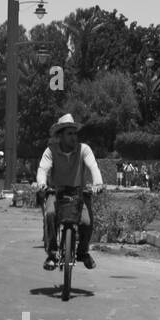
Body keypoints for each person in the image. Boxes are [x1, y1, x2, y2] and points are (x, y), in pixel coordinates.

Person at [34, 113, 103, 271]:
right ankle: (52, 254)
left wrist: (98, 183)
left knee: (86, 222)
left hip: (78, 193)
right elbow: (42, 169)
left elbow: (93, 167)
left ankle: (82, 251)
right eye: (69, 134)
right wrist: (42, 184)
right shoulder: (50, 151)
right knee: (50, 215)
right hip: (56, 192)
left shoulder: (83, 149)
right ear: (60, 136)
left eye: (75, 133)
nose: (73, 137)